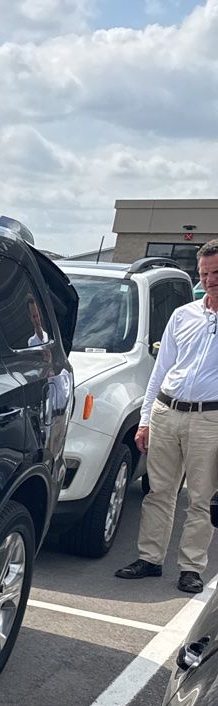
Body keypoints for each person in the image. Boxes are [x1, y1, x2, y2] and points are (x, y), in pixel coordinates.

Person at [115, 240, 218, 593]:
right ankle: (149, 559)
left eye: (216, 273)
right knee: (159, 491)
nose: (209, 280)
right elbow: (160, 370)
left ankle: (191, 567)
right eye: (204, 274)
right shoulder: (183, 315)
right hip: (166, 411)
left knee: (201, 497)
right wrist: (145, 419)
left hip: (210, 420)